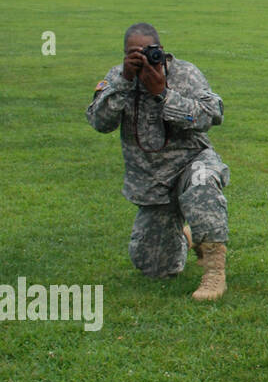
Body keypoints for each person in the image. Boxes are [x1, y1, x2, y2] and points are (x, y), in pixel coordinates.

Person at [87, 24, 231, 300]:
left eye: (148, 51)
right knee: (153, 266)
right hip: (153, 183)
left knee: (203, 182)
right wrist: (125, 82)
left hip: (191, 162)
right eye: (134, 53)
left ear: (161, 50)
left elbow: (211, 115)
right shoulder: (118, 79)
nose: (142, 58)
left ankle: (214, 273)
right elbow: (99, 122)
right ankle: (186, 237)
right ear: (125, 55)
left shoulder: (185, 73)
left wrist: (164, 94)